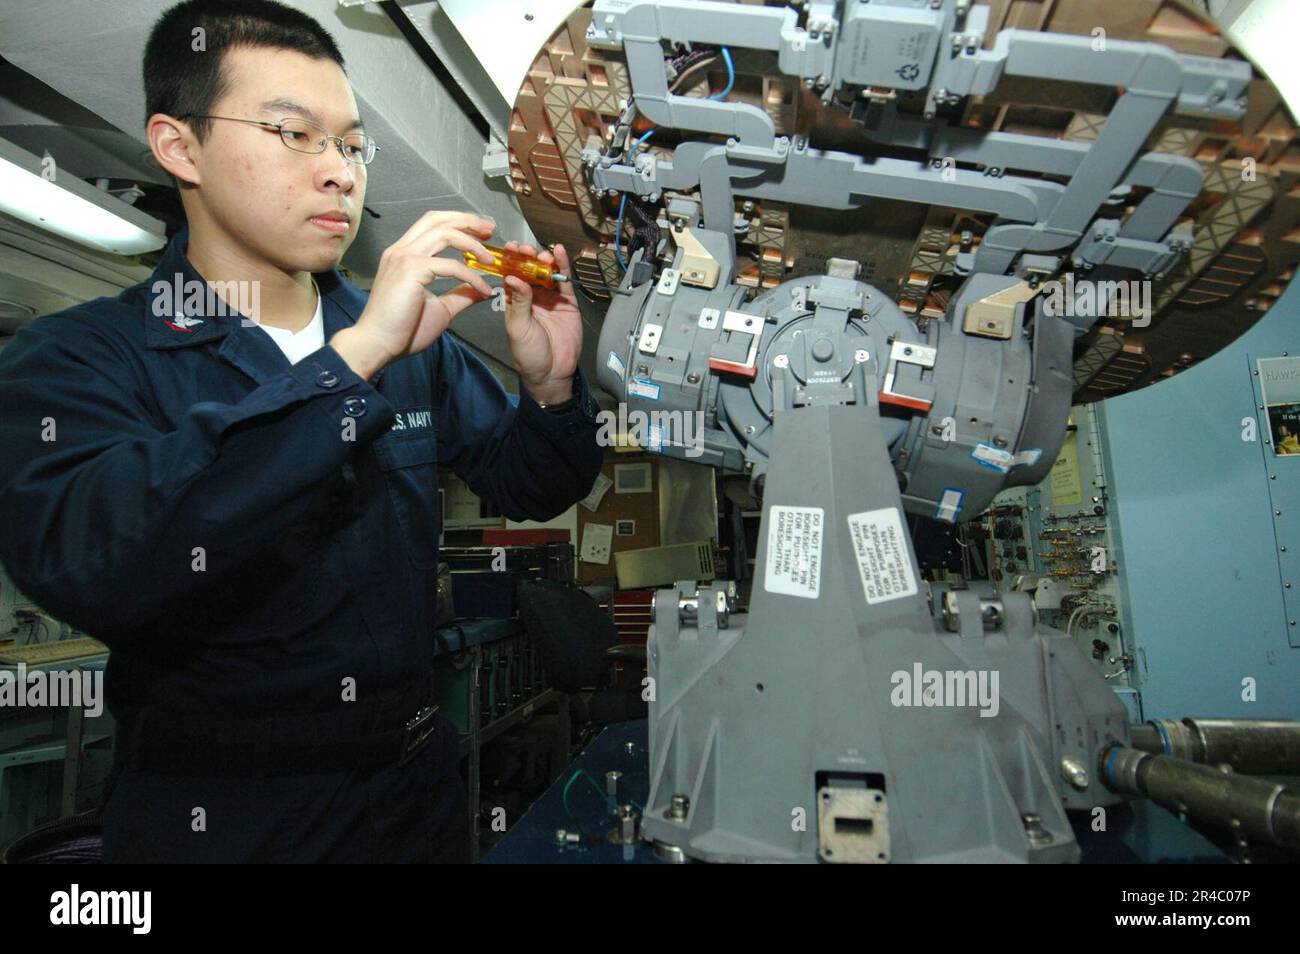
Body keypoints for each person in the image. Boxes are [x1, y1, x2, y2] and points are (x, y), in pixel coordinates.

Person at [0, 0, 603, 862]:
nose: (340, 173)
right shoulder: (80, 356)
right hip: (225, 822)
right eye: (293, 134)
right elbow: (95, 556)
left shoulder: (410, 344)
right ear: (179, 147)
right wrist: (346, 367)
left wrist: (549, 391)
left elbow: (533, 486)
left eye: (353, 144)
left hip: (416, 799)